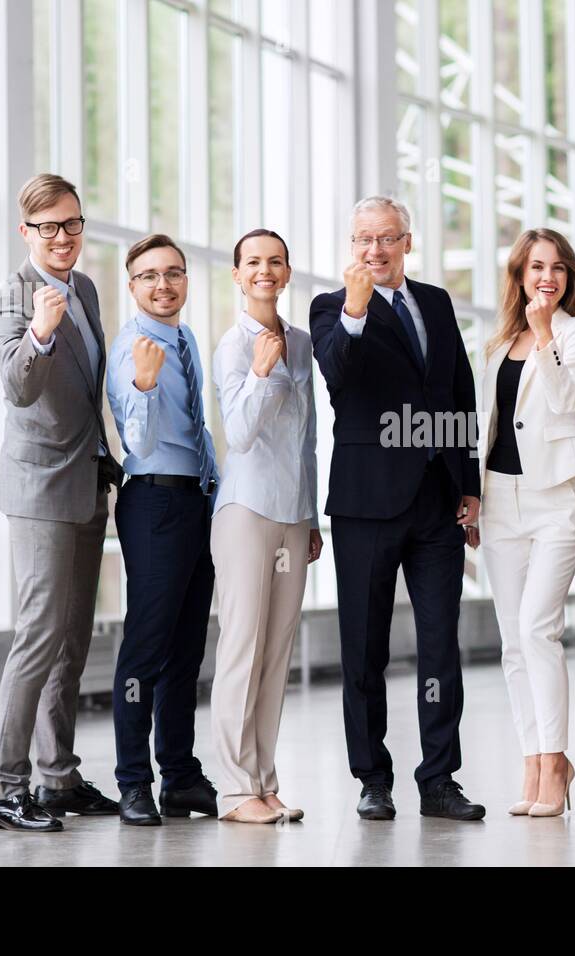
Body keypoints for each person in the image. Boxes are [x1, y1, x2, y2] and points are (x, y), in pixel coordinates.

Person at [309, 196, 484, 822]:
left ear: (407, 241)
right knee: (364, 647)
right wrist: (356, 310)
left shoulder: (434, 302)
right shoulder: (331, 308)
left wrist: (470, 483)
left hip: (437, 501)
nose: (374, 250)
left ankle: (439, 778)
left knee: (440, 645)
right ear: (350, 246)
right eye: (362, 239)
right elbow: (339, 377)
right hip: (366, 502)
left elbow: (458, 391)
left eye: (386, 238)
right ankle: (372, 778)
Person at [0, 173, 123, 831]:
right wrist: (40, 332)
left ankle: (56, 778)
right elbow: (18, 386)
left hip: (87, 481)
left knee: (71, 640)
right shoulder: (11, 296)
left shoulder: (87, 289)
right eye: (48, 228)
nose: (63, 238)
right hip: (40, 488)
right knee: (38, 636)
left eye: (72, 224)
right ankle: (5, 789)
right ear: (26, 232)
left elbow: (89, 389)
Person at [471, 228, 575, 817]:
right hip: (500, 501)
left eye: (557, 268)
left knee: (537, 631)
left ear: (568, 278)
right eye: (536, 267)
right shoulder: (498, 343)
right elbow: (488, 429)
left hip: (555, 501)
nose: (547, 277)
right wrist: (472, 496)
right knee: (511, 643)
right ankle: (533, 759)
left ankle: (556, 761)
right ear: (519, 276)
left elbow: (568, 403)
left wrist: (546, 333)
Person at [105, 234, 220, 826]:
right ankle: (133, 783)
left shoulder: (185, 338)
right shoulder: (136, 348)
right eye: (149, 276)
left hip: (195, 503)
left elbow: (197, 429)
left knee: (186, 650)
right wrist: (145, 387)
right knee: (146, 650)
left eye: (173, 273)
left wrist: (218, 494)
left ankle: (179, 776)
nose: (163, 284)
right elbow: (141, 443)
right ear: (133, 286)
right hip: (154, 506)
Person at [209, 229, 322, 824]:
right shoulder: (233, 345)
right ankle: (234, 791)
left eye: (275, 261)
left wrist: (311, 514)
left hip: (291, 514)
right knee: (242, 649)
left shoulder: (302, 342)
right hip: (246, 513)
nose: (265, 270)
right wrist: (258, 373)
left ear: (288, 271)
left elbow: (307, 438)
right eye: (253, 262)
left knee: (276, 653)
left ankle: (264, 781)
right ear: (237, 274)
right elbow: (241, 432)